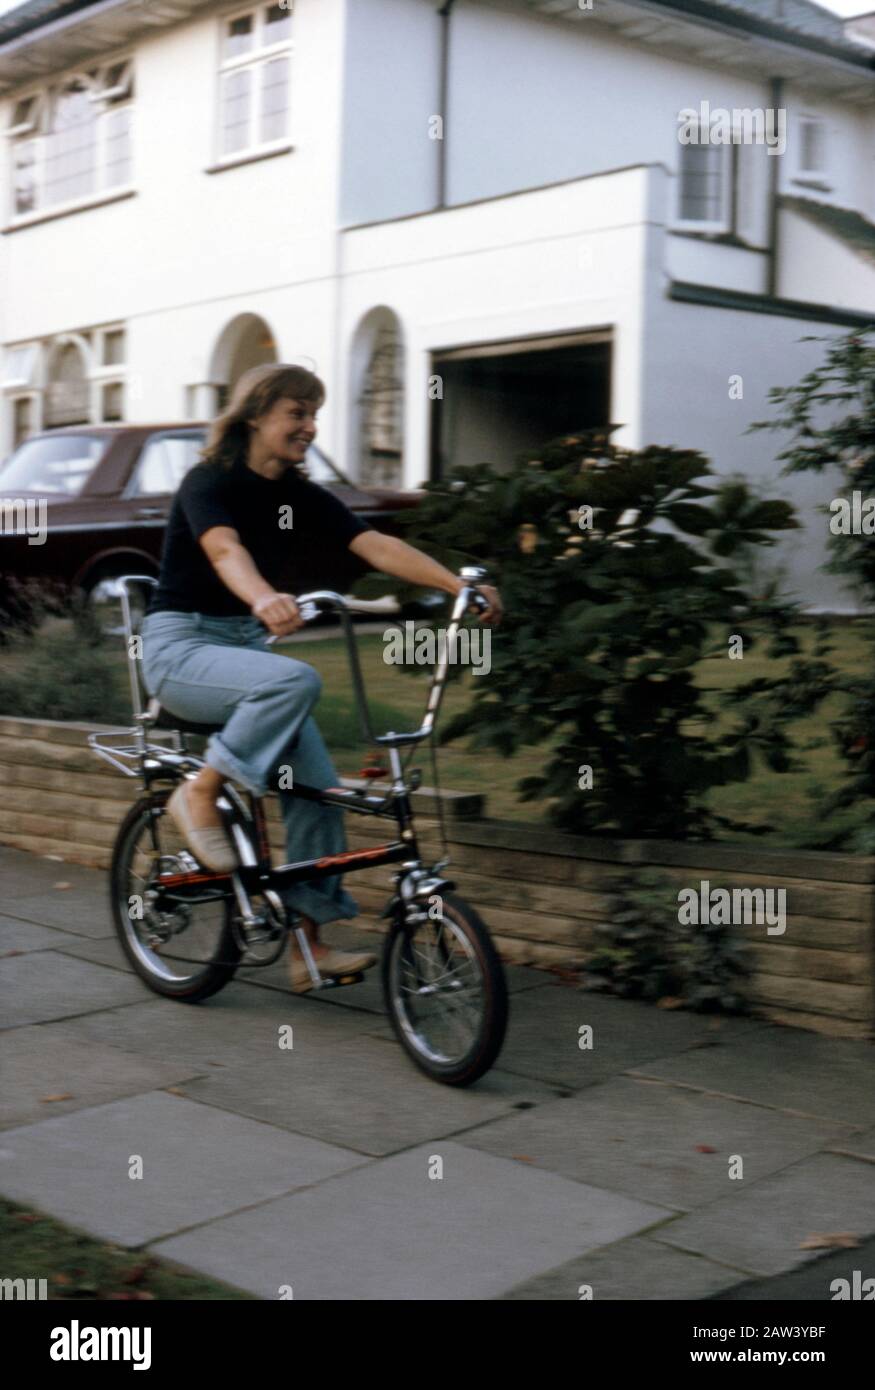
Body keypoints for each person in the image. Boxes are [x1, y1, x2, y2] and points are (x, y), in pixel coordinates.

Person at [140, 363, 501, 992]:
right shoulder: (209, 482)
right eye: (296, 413)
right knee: (295, 681)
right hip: (182, 647)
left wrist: (456, 584)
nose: (310, 426)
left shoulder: (299, 495)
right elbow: (227, 551)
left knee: (315, 791)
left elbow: (372, 544)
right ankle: (200, 790)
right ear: (256, 414)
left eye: (314, 414)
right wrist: (260, 598)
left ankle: (307, 951)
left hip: (242, 655)